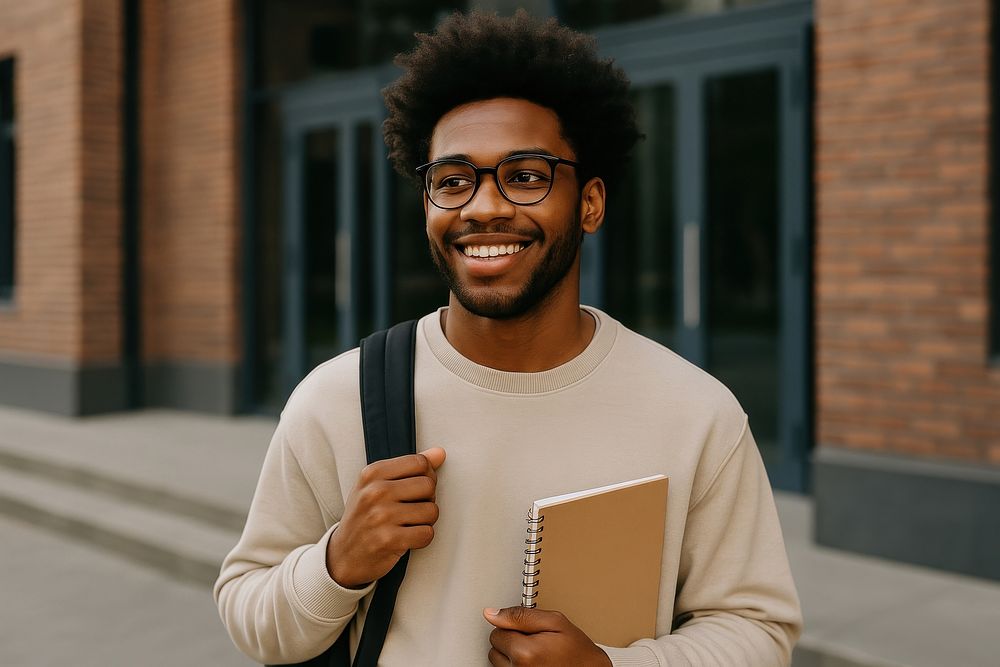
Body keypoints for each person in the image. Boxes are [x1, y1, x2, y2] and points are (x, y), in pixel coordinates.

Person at [215, 10, 802, 666]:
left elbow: (756, 629)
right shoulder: (338, 398)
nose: (483, 206)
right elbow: (248, 610)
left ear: (591, 203)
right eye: (452, 180)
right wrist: (337, 561)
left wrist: (608, 666)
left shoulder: (696, 414)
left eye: (526, 176)